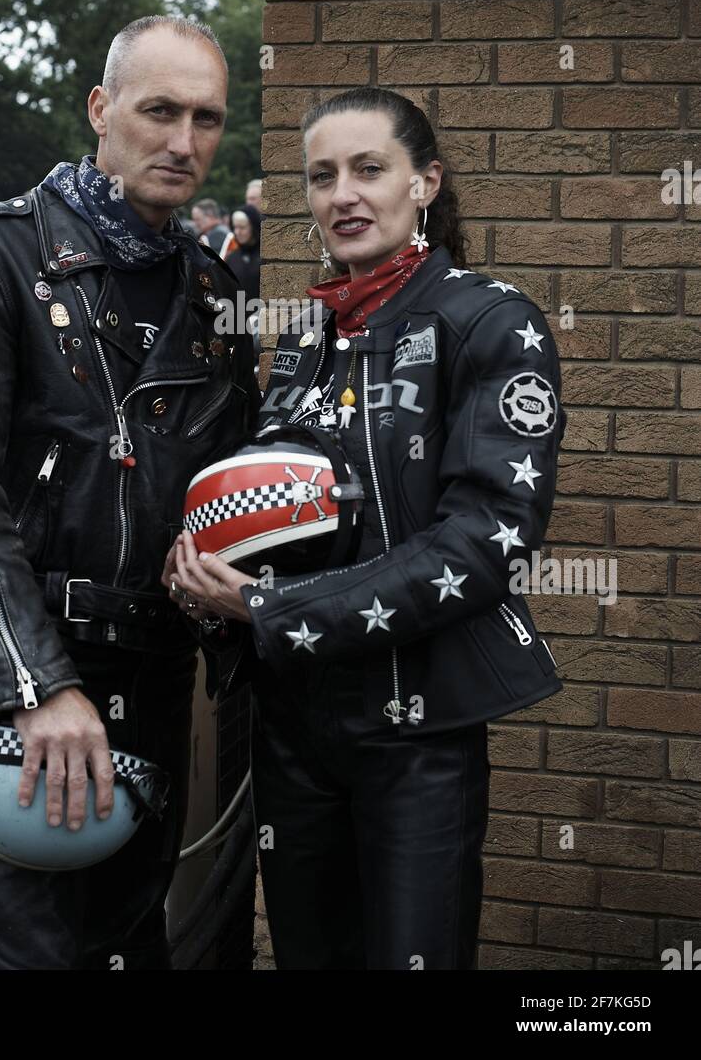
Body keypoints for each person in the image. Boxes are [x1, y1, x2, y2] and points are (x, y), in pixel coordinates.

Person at [164, 86, 566, 970]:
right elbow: (273, 509)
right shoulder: (309, 336)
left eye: (368, 169)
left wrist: (275, 607)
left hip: (417, 727)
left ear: (424, 183)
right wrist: (203, 567)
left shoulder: (491, 320)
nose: (342, 194)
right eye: (320, 176)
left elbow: (487, 539)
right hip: (293, 723)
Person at [0, 15, 260, 970]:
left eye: (207, 118)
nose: (184, 142)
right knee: (28, 958)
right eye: (159, 111)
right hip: (22, 680)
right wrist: (39, 685)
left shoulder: (216, 295)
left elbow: (230, 494)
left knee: (131, 947)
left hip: (155, 673)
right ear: (101, 110)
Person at [227, 203, 262, 303]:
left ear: (254, 227)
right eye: (235, 227)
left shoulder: (265, 256)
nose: (237, 232)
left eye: (242, 227)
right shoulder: (232, 258)